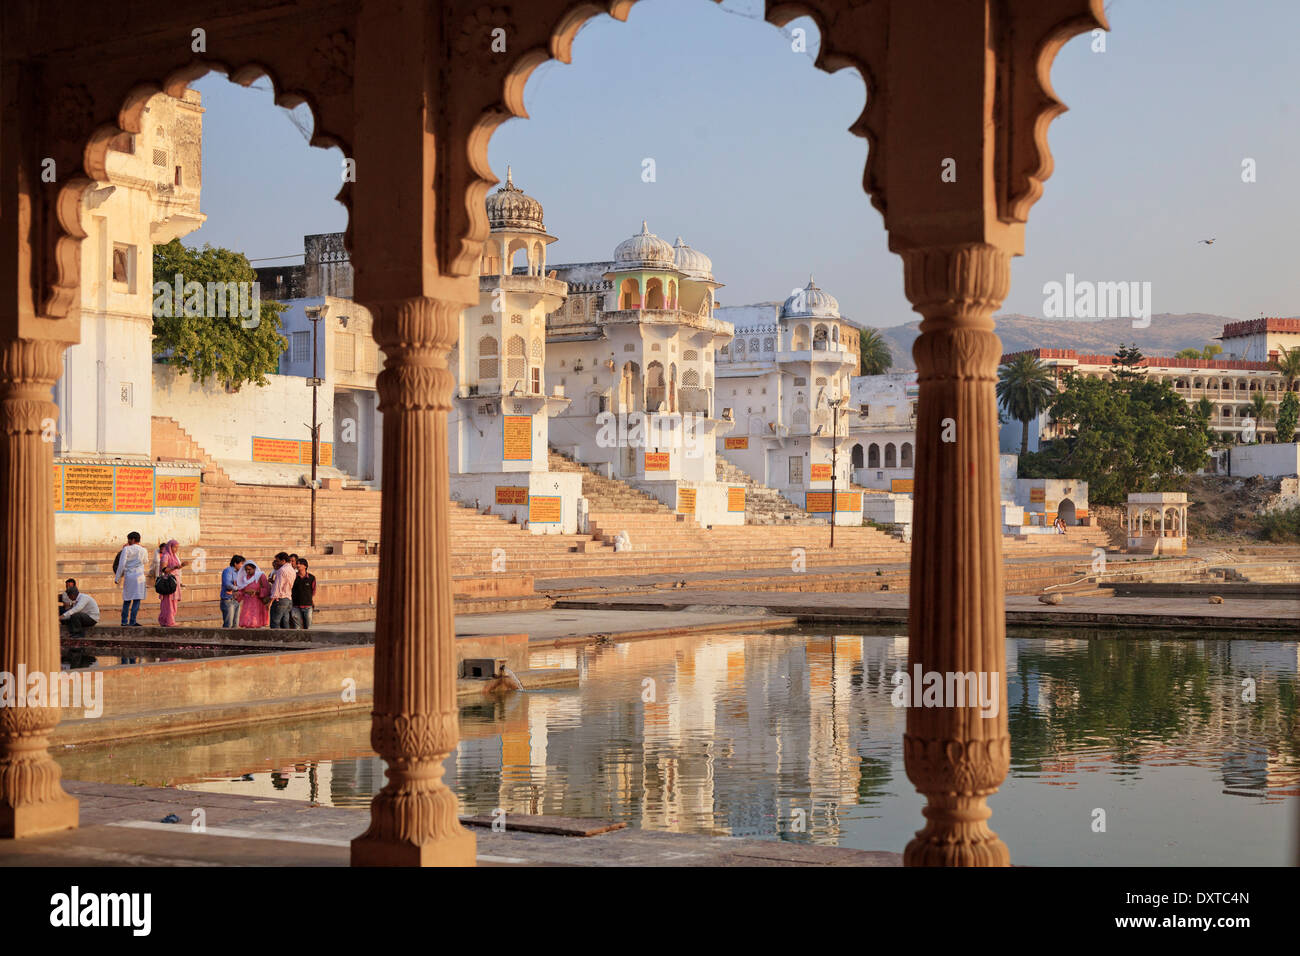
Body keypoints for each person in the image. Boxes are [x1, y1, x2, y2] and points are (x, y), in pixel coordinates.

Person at [113, 531, 149, 626]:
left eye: (129, 539)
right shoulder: (144, 550)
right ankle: (132, 621)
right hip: (140, 576)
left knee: (127, 599)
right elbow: (145, 561)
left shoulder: (127, 549)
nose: (128, 541)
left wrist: (117, 578)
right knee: (137, 599)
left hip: (130, 576)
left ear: (132, 539)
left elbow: (121, 564)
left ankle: (124, 621)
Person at [154, 539, 185, 626]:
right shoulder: (166, 556)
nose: (176, 549)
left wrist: (181, 566)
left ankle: (167, 620)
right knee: (168, 603)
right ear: (170, 547)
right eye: (175, 547)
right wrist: (176, 567)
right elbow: (164, 569)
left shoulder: (175, 556)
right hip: (168, 583)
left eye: (177, 547)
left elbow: (177, 568)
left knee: (173, 602)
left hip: (175, 581)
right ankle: (168, 621)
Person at [235, 560, 271, 628]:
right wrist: (238, 593)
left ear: (254, 568)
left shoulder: (260, 576)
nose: (247, 571)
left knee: (256, 622)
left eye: (249, 569)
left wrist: (256, 591)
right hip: (248, 602)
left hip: (257, 602)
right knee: (248, 623)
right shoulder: (245, 578)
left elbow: (267, 589)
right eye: (246, 570)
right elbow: (242, 590)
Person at [269, 551, 296, 629]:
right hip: (288, 599)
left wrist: (270, 601)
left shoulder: (281, 570)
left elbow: (278, 587)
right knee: (285, 622)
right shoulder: (292, 569)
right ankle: (286, 640)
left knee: (275, 622)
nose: (276, 563)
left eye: (278, 561)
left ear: (283, 561)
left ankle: (276, 639)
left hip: (280, 599)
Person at [220, 554, 245, 628]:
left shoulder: (239, 573)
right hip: (228, 600)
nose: (242, 566)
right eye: (241, 564)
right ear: (235, 563)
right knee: (228, 624)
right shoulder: (228, 571)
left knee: (235, 625)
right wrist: (237, 588)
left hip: (236, 600)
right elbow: (227, 584)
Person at [291, 558, 317, 629]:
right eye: (297, 564)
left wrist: (311, 600)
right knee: (297, 627)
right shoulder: (293, 577)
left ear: (305, 566)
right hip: (296, 605)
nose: (298, 565)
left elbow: (313, 591)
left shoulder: (311, 578)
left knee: (308, 627)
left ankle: (308, 640)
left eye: (300, 564)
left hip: (307, 606)